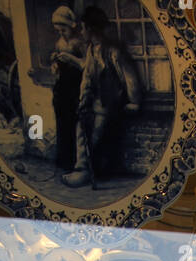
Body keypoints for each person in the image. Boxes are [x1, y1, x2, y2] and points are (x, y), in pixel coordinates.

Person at [63, 5, 142, 189]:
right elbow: (87, 78)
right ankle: (81, 169)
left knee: (97, 134)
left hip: (110, 103)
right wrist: (83, 102)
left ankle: (92, 171)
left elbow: (130, 78)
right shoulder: (91, 50)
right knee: (80, 127)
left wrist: (134, 101)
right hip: (96, 101)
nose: (81, 32)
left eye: (83, 28)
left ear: (90, 29)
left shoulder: (113, 51)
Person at [49, 7, 86, 173]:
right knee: (62, 124)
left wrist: (70, 59)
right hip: (61, 88)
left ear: (71, 26)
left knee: (73, 124)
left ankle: (73, 162)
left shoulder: (80, 42)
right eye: (58, 31)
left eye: (63, 30)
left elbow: (86, 65)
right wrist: (55, 65)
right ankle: (63, 160)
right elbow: (56, 67)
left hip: (76, 87)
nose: (61, 34)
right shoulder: (60, 43)